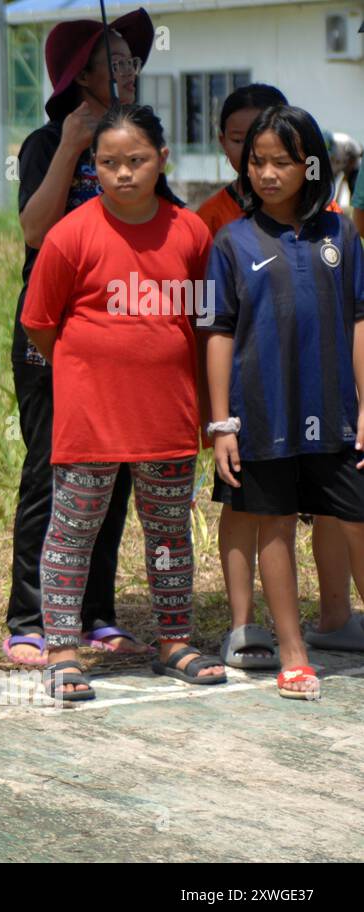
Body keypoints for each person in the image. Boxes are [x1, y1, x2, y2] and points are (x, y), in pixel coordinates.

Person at [21, 103, 224, 701]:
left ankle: (173, 639)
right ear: (95, 166)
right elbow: (40, 324)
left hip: (168, 416)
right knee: (72, 532)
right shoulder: (70, 234)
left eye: (136, 160)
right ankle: (61, 648)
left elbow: (207, 322)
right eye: (108, 163)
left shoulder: (190, 233)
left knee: (168, 535)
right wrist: (91, 367)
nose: (123, 173)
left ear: (162, 160)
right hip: (90, 419)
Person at [5, 7, 155, 666]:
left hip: (123, 329)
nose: (130, 70)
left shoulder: (137, 144)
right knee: (51, 471)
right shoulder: (45, 143)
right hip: (54, 333)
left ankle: (96, 612)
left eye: (131, 60)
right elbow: (35, 231)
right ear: (83, 77)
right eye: (116, 61)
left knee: (115, 470)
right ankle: (30, 617)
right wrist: (72, 145)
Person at [204, 105, 364, 701]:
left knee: (355, 516)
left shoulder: (341, 233)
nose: (267, 173)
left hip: (337, 413)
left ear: (310, 164)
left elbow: (358, 321)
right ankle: (293, 654)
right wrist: (222, 421)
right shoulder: (231, 241)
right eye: (257, 161)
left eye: (283, 161)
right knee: (273, 524)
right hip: (261, 414)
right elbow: (218, 331)